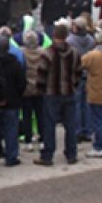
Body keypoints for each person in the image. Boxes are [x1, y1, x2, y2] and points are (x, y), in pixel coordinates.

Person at [34, 24, 81, 167]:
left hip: (51, 93)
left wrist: (40, 90)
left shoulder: (47, 53)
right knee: (70, 125)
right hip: (69, 92)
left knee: (49, 125)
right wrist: (74, 85)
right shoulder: (74, 52)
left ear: (54, 35)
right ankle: (71, 153)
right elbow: (78, 72)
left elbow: (41, 74)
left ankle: (48, 155)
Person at [0, 37, 26, 166]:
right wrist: (17, 95)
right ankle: (11, 156)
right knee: (11, 130)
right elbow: (21, 82)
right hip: (12, 100)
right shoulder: (15, 63)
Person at [68, 17, 95, 143]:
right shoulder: (91, 40)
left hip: (75, 73)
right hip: (88, 73)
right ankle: (88, 130)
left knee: (77, 104)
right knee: (87, 103)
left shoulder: (71, 41)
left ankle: (77, 130)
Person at [21, 31, 48, 150]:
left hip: (26, 88)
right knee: (40, 114)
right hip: (39, 87)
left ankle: (28, 140)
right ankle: (42, 139)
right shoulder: (43, 52)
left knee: (27, 116)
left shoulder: (22, 53)